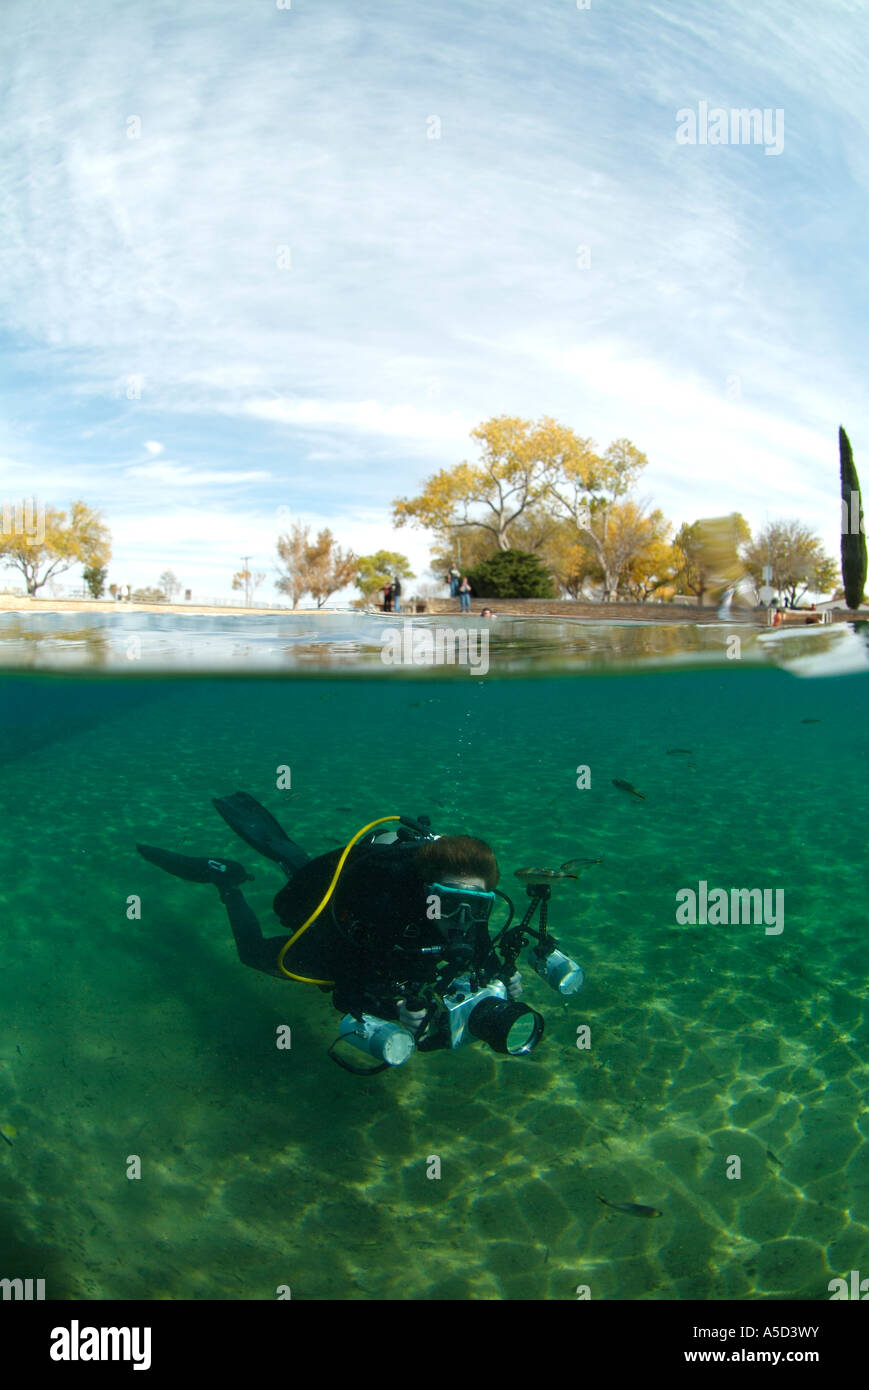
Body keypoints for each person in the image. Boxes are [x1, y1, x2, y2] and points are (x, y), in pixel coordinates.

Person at [136, 794, 529, 1068]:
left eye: (477, 906)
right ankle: (224, 880)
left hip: (360, 917)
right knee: (252, 953)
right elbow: (345, 985)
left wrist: (500, 975)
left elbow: (477, 948)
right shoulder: (386, 906)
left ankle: (290, 860)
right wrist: (389, 1008)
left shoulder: (467, 912)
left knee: (312, 875)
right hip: (339, 935)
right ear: (425, 892)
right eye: (446, 902)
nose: (462, 918)